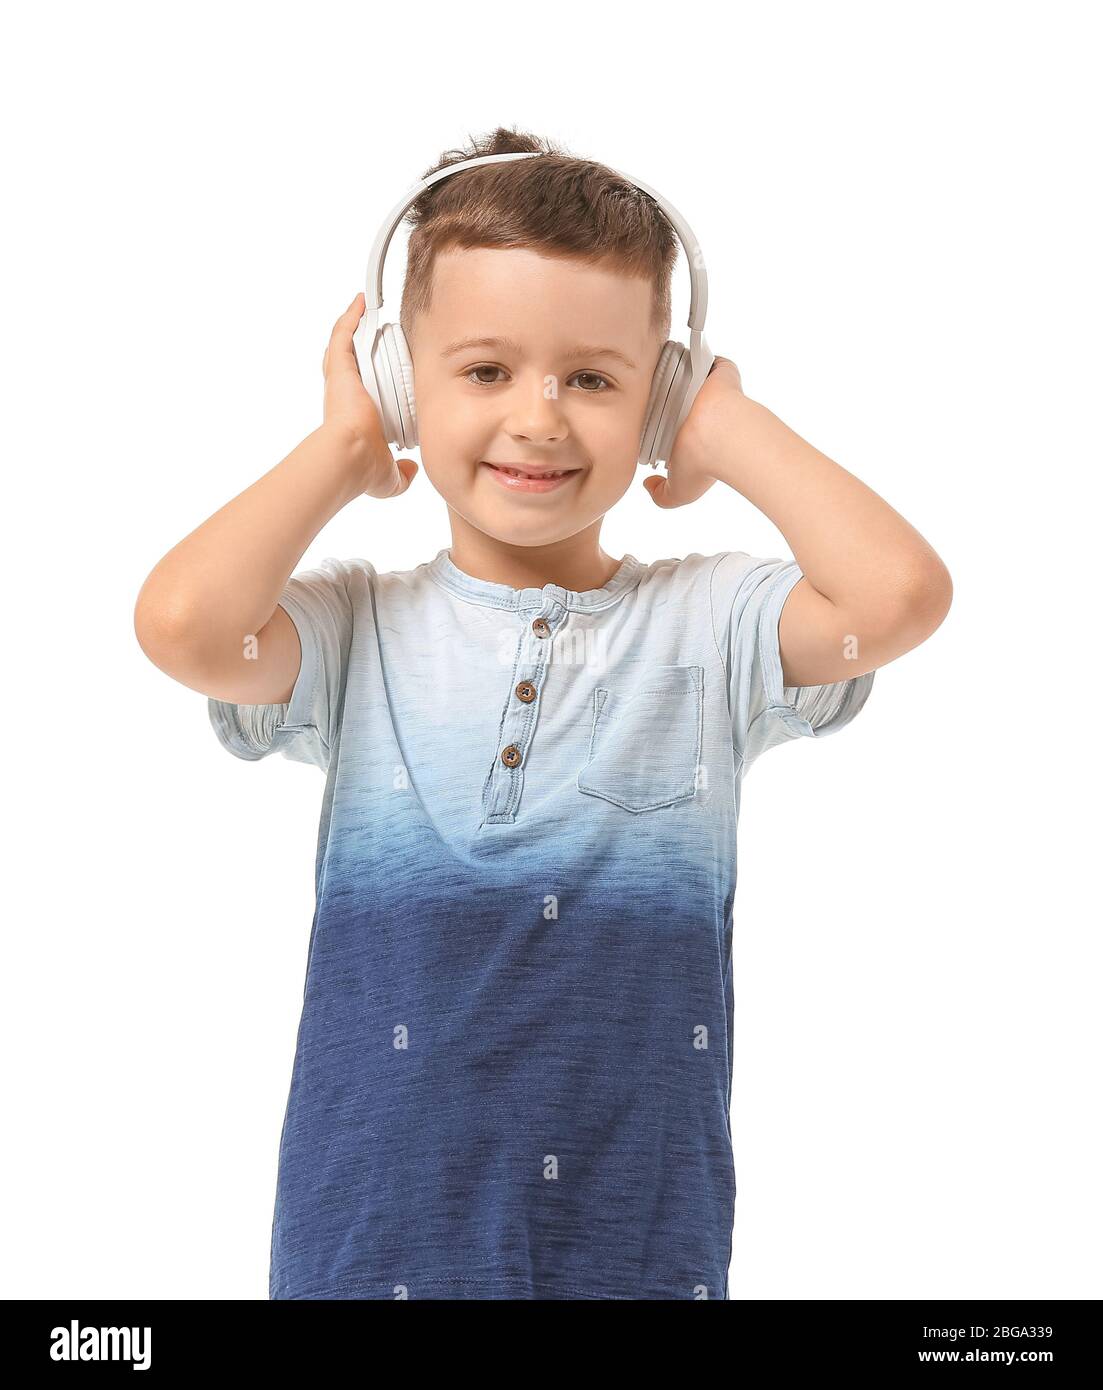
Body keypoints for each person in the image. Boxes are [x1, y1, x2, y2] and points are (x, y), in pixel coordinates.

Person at [133, 125, 952, 1300]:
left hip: (632, 1240)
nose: (540, 417)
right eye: (482, 371)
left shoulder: (709, 623)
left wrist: (720, 429)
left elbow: (899, 593)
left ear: (657, 394)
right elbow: (183, 626)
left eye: (594, 377)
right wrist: (341, 444)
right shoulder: (355, 629)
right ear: (406, 384)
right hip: (372, 1242)